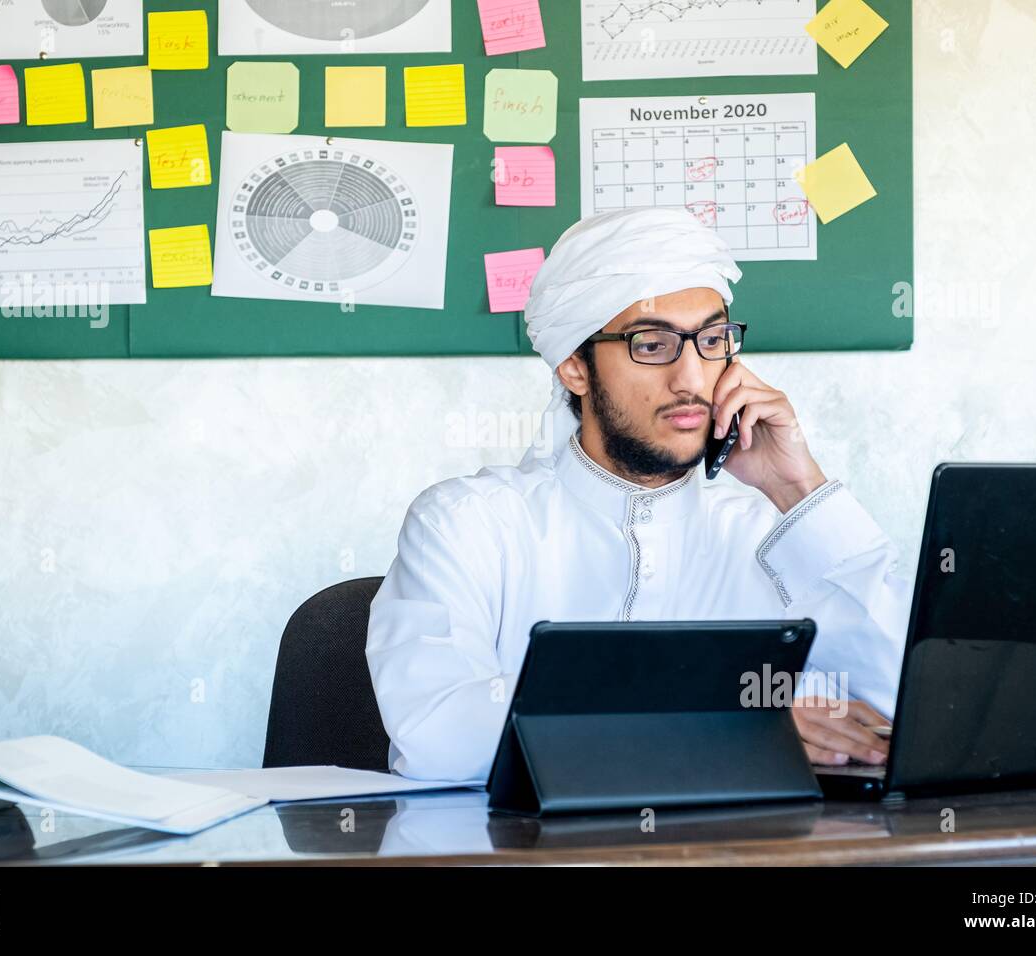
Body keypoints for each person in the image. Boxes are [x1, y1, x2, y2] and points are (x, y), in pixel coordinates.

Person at [366, 207, 911, 782]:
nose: (692, 379)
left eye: (711, 340)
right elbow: (438, 735)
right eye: (652, 345)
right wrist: (719, 715)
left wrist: (798, 489)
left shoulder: (767, 529)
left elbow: (913, 707)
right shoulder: (469, 524)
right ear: (574, 366)